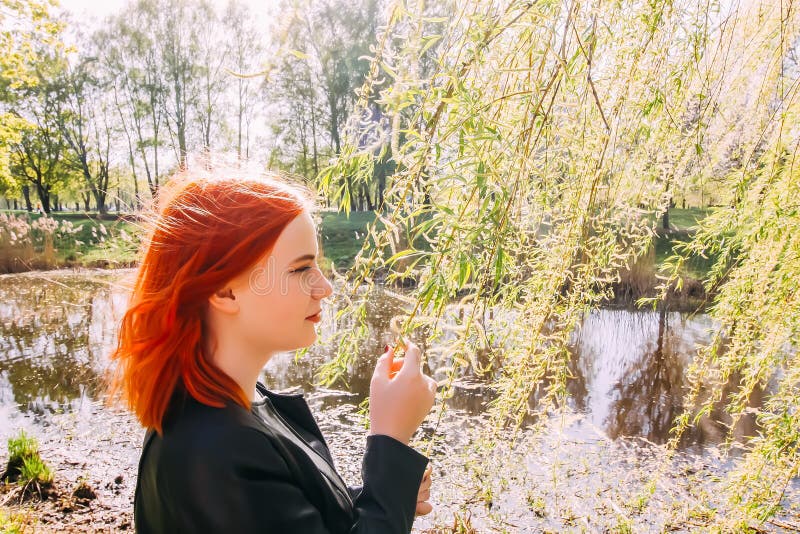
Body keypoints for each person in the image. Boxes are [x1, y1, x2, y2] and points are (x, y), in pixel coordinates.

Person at [109, 170, 438, 533]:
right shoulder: (214, 454)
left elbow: (290, 512)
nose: (324, 287)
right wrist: (391, 439)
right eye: (301, 268)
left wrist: (389, 489)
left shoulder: (237, 410)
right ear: (224, 292)